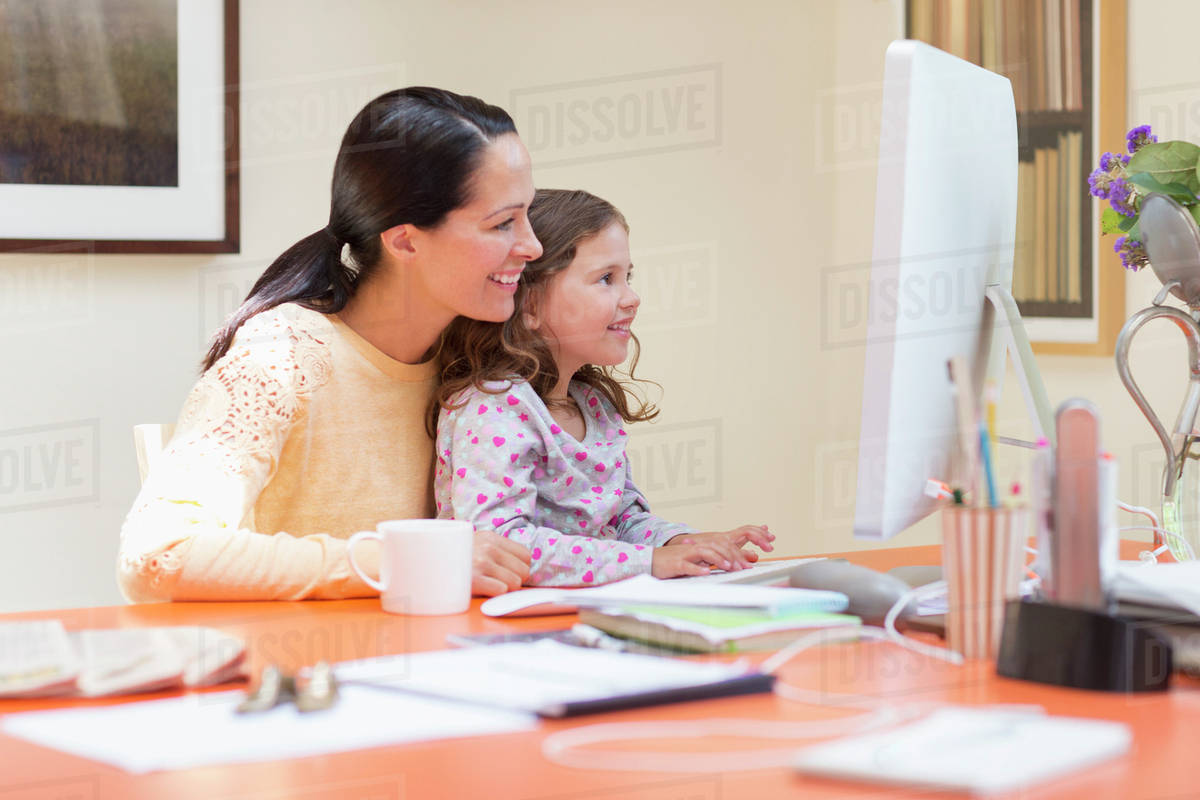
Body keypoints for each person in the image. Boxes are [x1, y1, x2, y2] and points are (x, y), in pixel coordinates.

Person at [118, 88, 541, 602]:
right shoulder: (283, 355)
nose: (532, 246)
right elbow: (158, 554)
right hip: (302, 674)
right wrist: (401, 558)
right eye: (503, 223)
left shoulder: (480, 359)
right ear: (405, 240)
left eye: (527, 215)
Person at [431, 189, 773, 586]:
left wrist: (681, 542)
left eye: (628, 277)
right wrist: (648, 562)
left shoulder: (592, 405)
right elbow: (500, 544)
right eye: (607, 278)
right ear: (530, 306)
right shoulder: (492, 407)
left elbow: (621, 518)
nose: (632, 298)